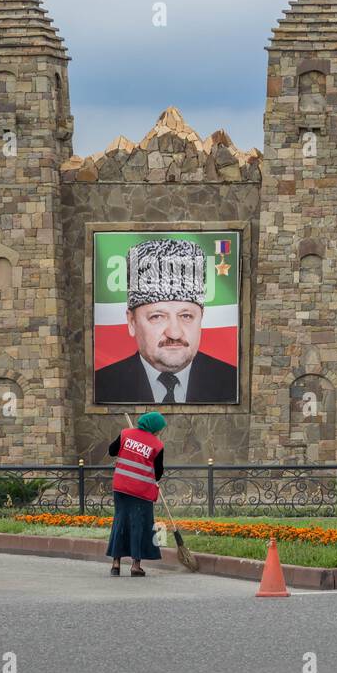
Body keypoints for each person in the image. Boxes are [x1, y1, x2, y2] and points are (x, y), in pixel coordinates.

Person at [94, 238, 237, 404]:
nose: (174, 333)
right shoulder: (99, 387)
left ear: (201, 318)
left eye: (186, 316)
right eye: (157, 317)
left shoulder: (234, 384)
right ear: (132, 322)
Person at [105, 411, 167, 577]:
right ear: (154, 428)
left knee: (120, 522)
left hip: (121, 488)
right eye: (159, 429)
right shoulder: (157, 445)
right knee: (139, 525)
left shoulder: (126, 434)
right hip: (141, 492)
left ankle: (115, 564)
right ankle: (135, 566)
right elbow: (158, 473)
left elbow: (112, 451)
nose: (159, 432)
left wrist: (129, 448)